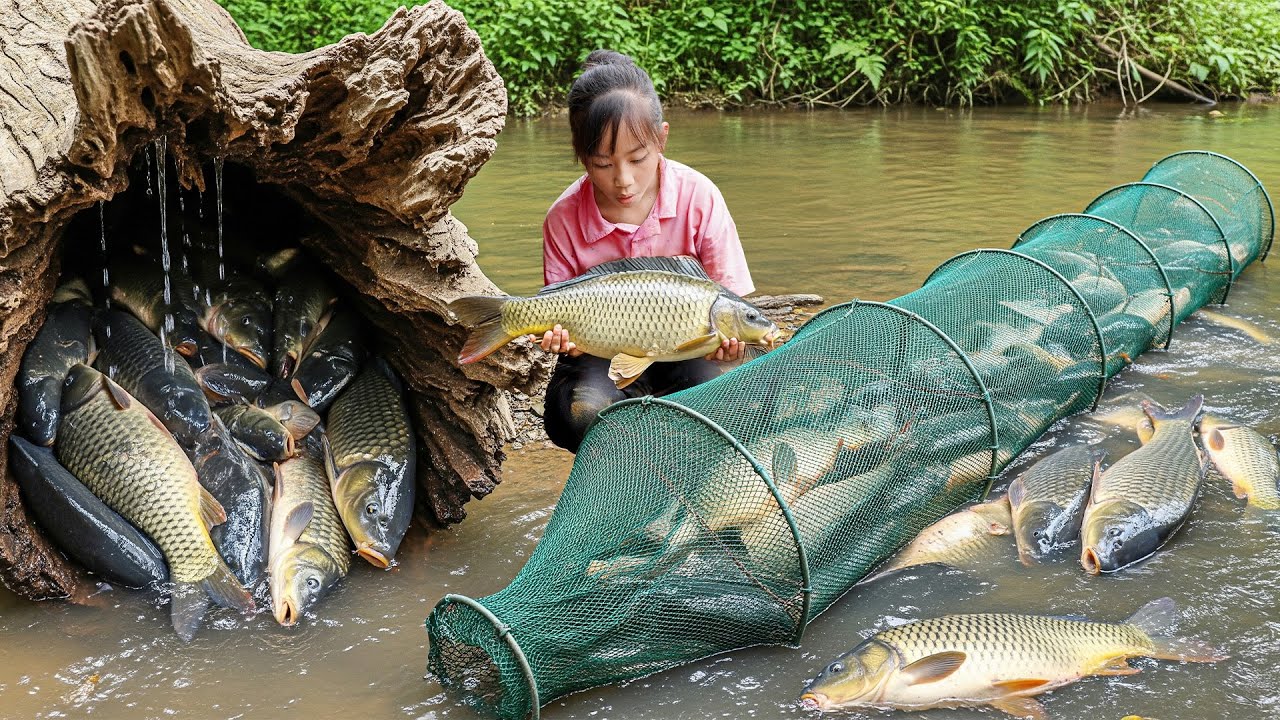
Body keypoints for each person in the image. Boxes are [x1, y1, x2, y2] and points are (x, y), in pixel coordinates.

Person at [537, 49, 772, 452]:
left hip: (689, 352)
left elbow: (731, 302)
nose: (623, 180)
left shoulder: (700, 197)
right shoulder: (563, 217)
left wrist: (731, 349)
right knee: (579, 414)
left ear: (661, 138)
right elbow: (558, 315)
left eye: (638, 158)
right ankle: (626, 467)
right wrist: (562, 339)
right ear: (580, 155)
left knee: (739, 402)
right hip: (601, 354)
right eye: (602, 164)